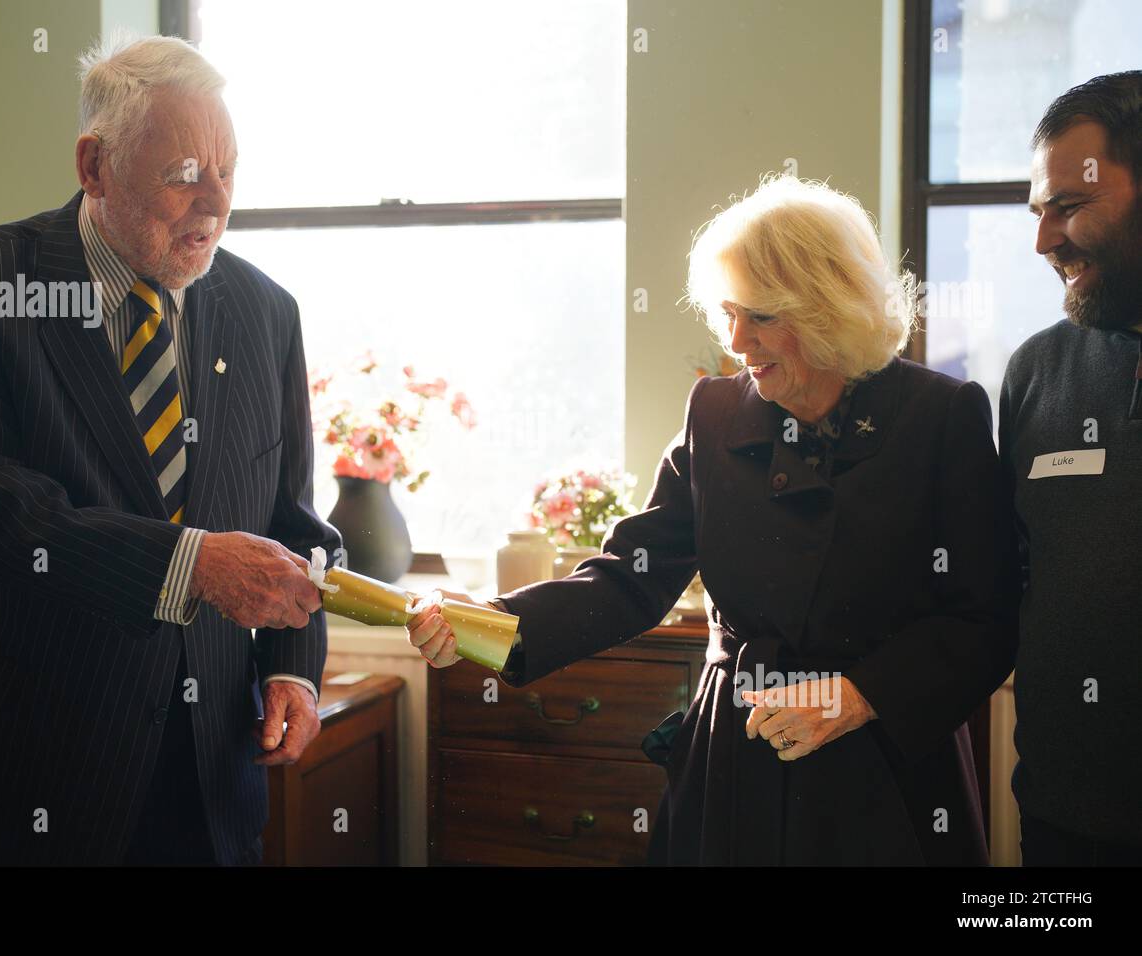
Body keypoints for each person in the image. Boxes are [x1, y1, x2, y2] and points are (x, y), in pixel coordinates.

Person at [409, 175, 1018, 865]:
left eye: (759, 317)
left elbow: (984, 619)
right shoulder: (716, 414)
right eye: (727, 313)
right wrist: (488, 624)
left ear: (828, 309)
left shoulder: (940, 418)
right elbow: (628, 578)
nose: (735, 341)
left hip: (881, 765)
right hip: (735, 758)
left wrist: (859, 696)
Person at [0, 34, 337, 865]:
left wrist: (291, 671)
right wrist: (190, 565)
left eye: (227, 172)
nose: (212, 204)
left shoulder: (265, 310)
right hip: (24, 774)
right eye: (182, 175)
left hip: (205, 779)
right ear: (93, 165)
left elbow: (293, 522)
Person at [1003, 70, 1142, 866]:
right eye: (1039, 212)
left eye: (1070, 206)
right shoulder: (1035, 374)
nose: (1043, 240)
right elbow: (1005, 578)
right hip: (1064, 824)